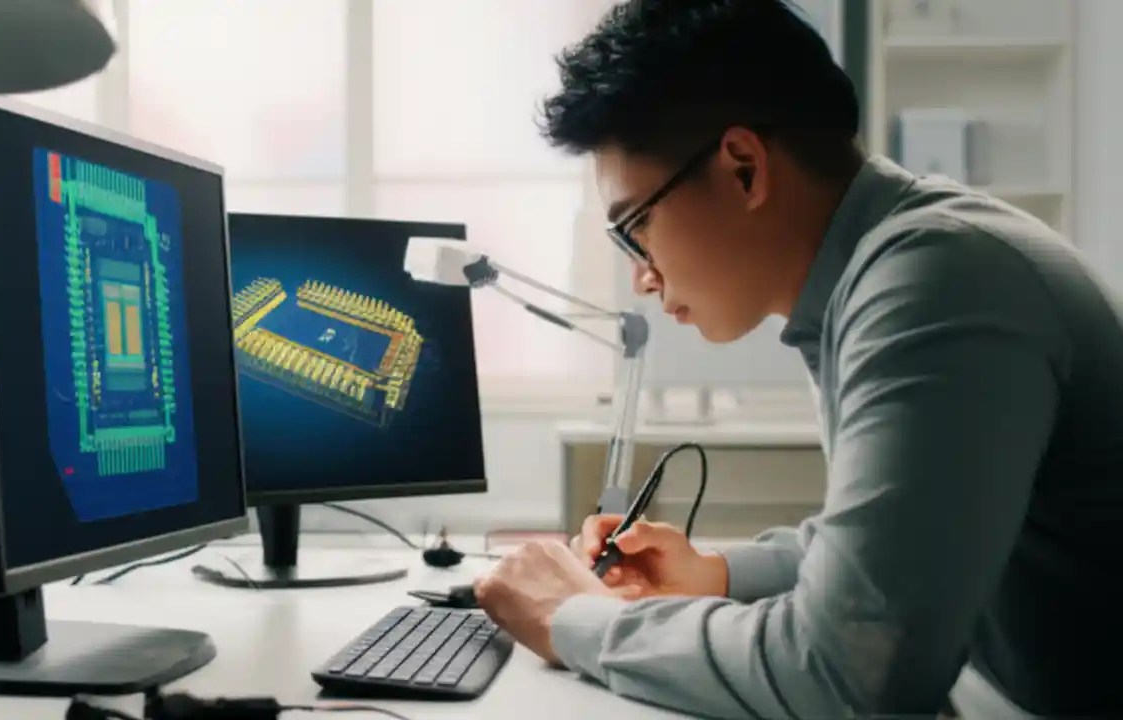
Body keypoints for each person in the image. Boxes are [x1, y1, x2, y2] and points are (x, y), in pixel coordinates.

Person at [471, 0, 1123, 717]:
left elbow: (851, 674)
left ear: (744, 168)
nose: (643, 276)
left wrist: (577, 620)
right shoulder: (905, 261)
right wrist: (714, 573)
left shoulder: (937, 284)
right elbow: (896, 551)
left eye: (635, 227)